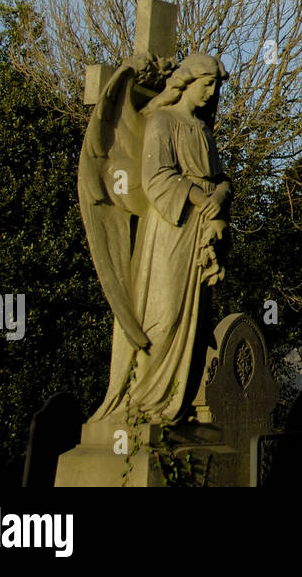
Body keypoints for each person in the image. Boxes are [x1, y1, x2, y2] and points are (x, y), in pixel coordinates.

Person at [89, 52, 230, 424]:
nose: (212, 92)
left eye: (216, 86)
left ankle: (174, 408)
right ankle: (141, 403)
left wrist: (218, 197)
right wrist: (202, 202)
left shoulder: (202, 130)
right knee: (164, 316)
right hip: (170, 228)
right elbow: (157, 177)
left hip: (200, 231)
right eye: (207, 84)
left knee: (193, 320)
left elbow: (221, 179)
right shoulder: (162, 122)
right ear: (187, 82)